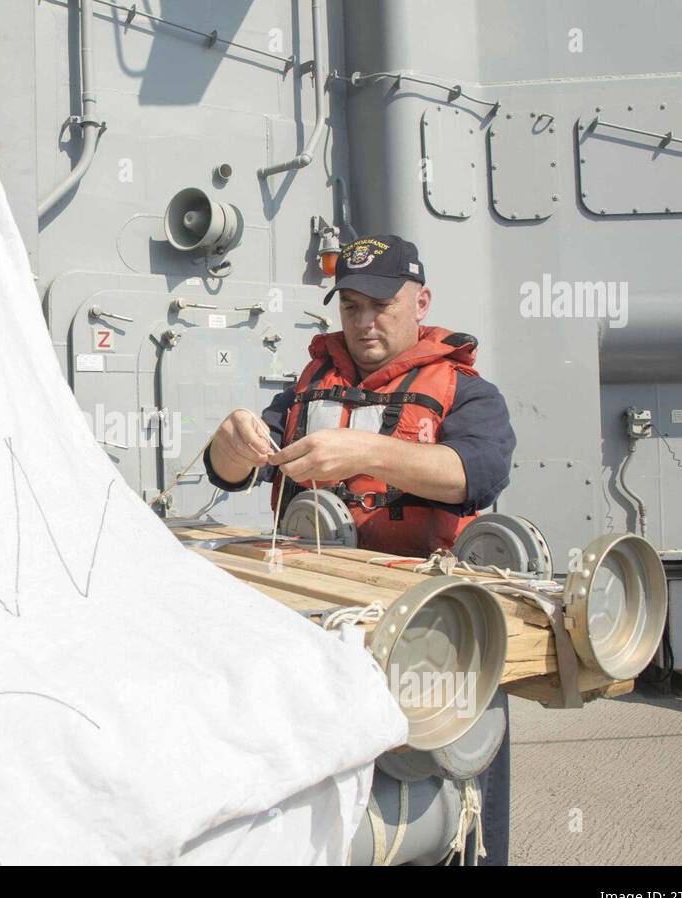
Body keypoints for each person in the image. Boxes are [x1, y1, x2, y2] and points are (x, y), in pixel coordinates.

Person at [203, 233, 517, 864]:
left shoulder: (466, 392)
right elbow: (229, 472)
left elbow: (478, 472)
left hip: (434, 632)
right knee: (328, 816)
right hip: (320, 626)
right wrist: (229, 447)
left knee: (453, 814)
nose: (364, 322)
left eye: (381, 304)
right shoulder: (307, 387)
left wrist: (370, 452)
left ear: (421, 302)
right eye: (350, 307)